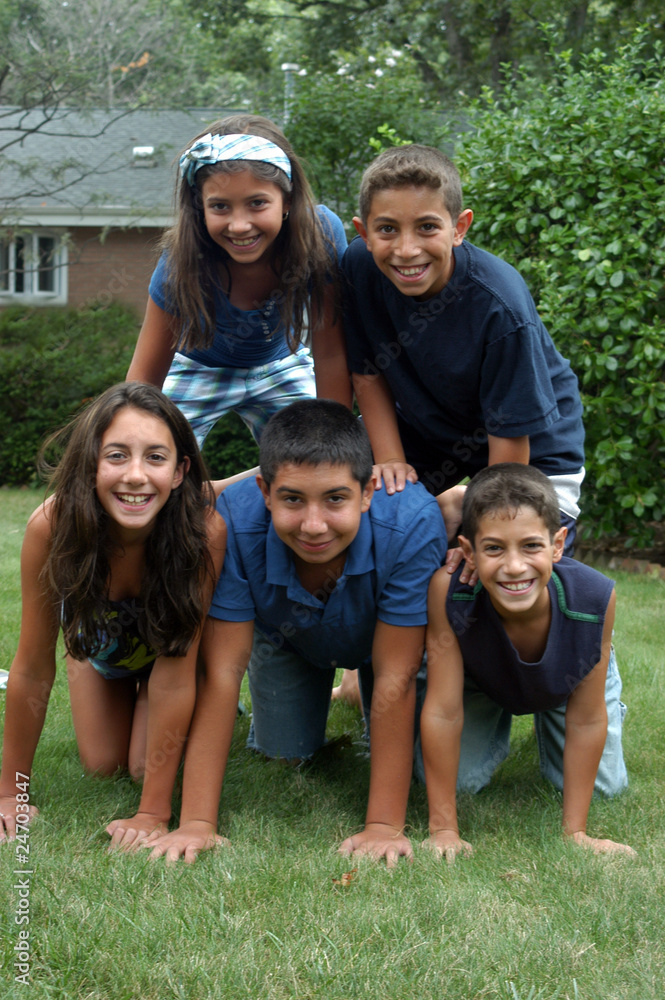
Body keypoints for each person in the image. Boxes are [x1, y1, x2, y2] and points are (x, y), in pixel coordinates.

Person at [145, 399, 448, 866]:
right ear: (264, 491)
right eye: (292, 499)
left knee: (440, 770)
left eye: (335, 499)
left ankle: (355, 684)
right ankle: (335, 685)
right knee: (285, 753)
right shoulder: (233, 521)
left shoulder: (412, 522)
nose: (313, 525)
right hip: (289, 637)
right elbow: (223, 672)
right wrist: (197, 823)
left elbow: (396, 677)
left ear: (367, 492)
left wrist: (383, 827)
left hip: (386, 642)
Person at [0, 383, 226, 848]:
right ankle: (95, 666)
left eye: (155, 458)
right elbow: (32, 667)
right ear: (90, 465)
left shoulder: (203, 534)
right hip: (101, 655)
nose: (135, 476)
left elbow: (176, 673)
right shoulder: (52, 527)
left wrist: (152, 813)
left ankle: (176, 708)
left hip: (167, 660)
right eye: (117, 456)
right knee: (103, 765)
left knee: (144, 767)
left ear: (180, 471)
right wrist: (9, 794)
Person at [342, 144, 585, 551]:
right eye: (387, 229)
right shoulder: (360, 267)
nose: (406, 249)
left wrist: (480, 531)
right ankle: (452, 500)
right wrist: (391, 462)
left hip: (531, 452)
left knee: (507, 565)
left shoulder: (500, 306)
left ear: (459, 227)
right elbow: (367, 372)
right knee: (349, 496)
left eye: (427, 227)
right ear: (364, 232)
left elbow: (510, 443)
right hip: (431, 432)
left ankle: (463, 503)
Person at [421, 464, 635, 860]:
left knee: (605, 788)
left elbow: (587, 719)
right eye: (494, 548)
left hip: (566, 671)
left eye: (531, 546)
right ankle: (355, 690)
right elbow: (443, 712)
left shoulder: (596, 598)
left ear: (558, 544)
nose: (515, 566)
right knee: (454, 781)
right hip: (481, 676)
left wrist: (576, 833)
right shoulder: (448, 592)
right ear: (468, 551)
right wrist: (443, 829)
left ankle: (575, 704)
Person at [127, 114, 351, 449]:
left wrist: (332, 441)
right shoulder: (181, 259)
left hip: (280, 363)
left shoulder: (321, 236)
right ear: (200, 207)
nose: (240, 225)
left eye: (257, 203)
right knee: (147, 451)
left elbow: (331, 351)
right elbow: (144, 379)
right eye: (220, 206)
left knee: (322, 454)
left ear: (288, 199)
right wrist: (135, 441)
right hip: (198, 366)